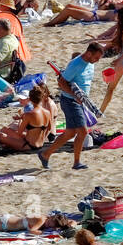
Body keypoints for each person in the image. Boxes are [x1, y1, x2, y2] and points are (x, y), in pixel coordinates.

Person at [38, 42, 103, 171]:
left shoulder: (90, 63)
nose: (97, 61)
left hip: (80, 101)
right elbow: (61, 82)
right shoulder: (76, 64)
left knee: (69, 133)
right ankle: (77, 162)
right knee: (83, 131)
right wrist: (75, 95)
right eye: (96, 58)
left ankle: (45, 154)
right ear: (89, 53)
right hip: (70, 101)